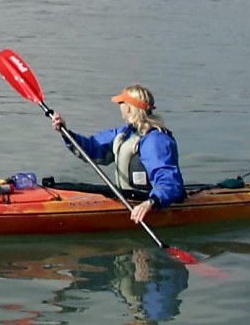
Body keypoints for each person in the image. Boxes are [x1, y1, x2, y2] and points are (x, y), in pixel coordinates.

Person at [49, 84, 182, 225]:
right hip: (127, 197)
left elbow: (169, 181)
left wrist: (151, 202)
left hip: (147, 201)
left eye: (121, 103)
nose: (119, 106)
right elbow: (94, 148)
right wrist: (66, 133)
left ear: (129, 108)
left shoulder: (155, 140)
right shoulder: (125, 133)